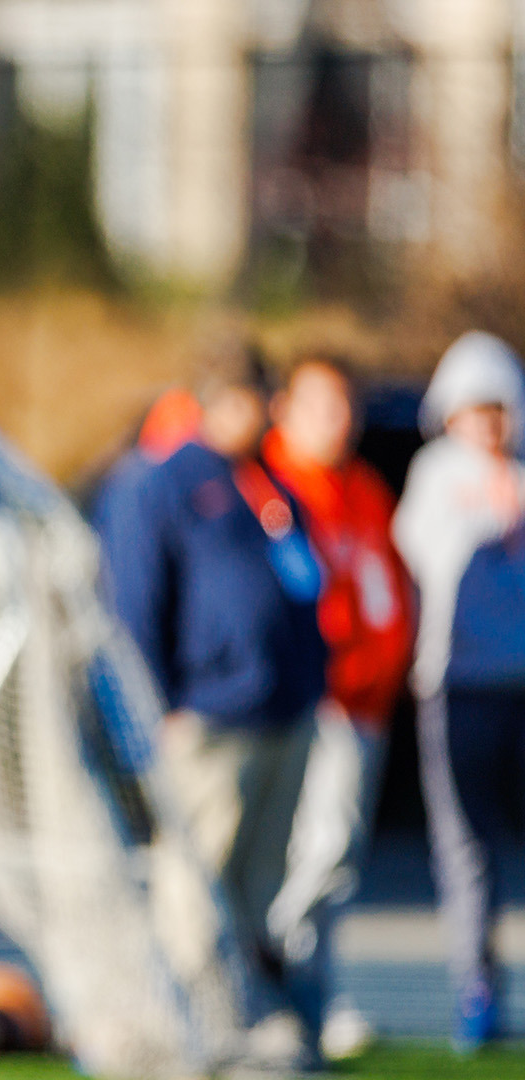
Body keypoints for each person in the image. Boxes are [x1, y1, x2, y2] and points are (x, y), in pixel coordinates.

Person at [99, 348, 326, 1069]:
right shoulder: (163, 482)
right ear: (229, 398)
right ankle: (189, 1025)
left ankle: (248, 1022)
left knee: (256, 888)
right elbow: (134, 602)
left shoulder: (267, 485)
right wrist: (158, 708)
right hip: (210, 719)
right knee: (196, 888)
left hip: (279, 716)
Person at [260, 355, 414, 1060]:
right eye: (322, 405)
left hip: (359, 705)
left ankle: (311, 997)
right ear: (286, 408)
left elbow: (386, 593)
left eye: (345, 405)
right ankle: (275, 979)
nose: (338, 421)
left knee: (337, 855)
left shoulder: (363, 490)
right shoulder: (268, 487)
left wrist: (383, 675)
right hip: (298, 704)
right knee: (305, 851)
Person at [393, 330, 525, 1054]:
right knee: (466, 845)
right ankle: (473, 986)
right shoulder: (437, 476)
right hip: (459, 686)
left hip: (519, 683)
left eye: (497, 408)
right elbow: (428, 558)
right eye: (473, 408)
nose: (488, 424)